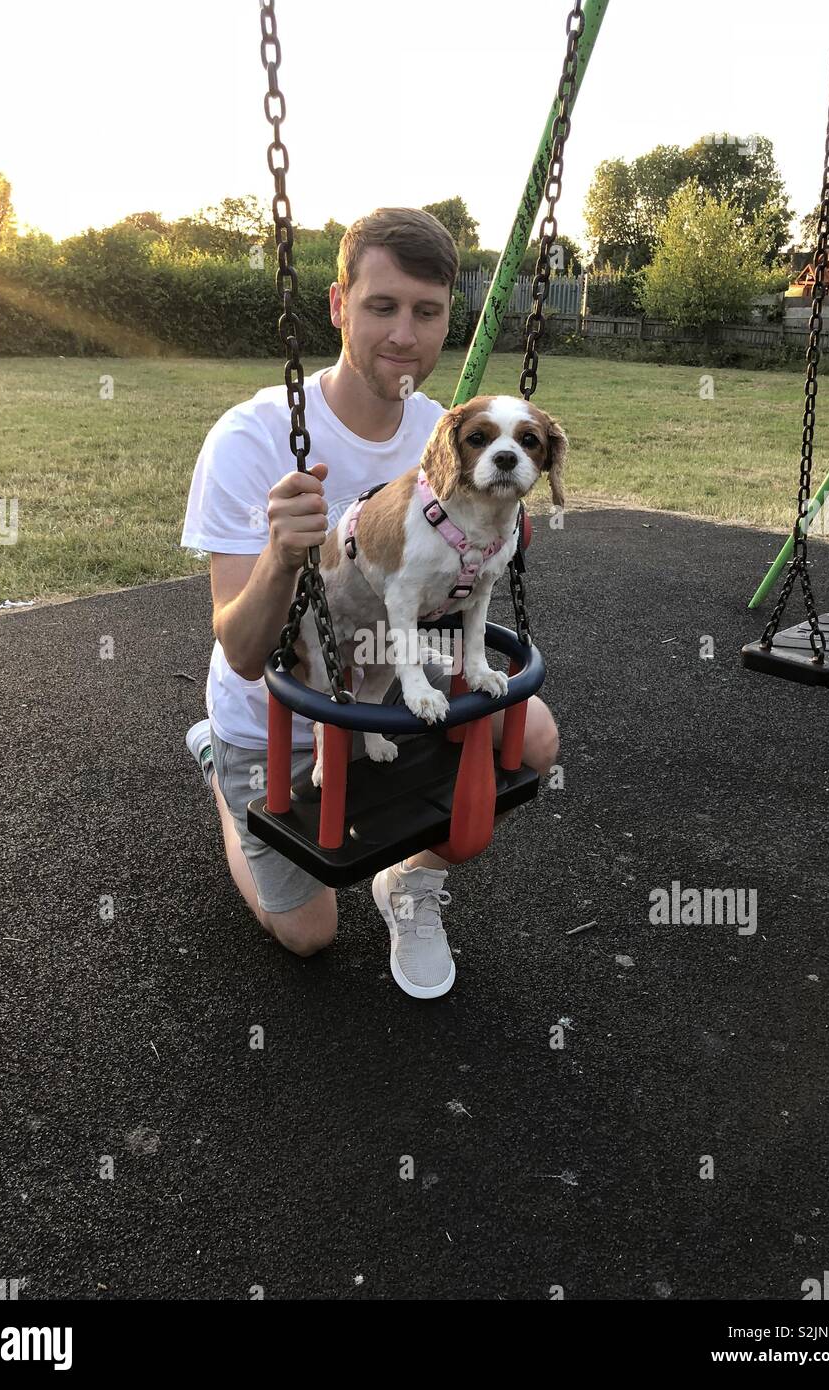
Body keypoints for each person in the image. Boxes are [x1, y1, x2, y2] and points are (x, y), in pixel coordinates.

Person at [181, 207, 559, 998]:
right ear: (336, 305)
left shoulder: (449, 431)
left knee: (530, 743)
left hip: (386, 677)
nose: (403, 335)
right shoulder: (250, 438)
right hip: (278, 707)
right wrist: (285, 555)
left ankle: (408, 884)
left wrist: (497, 536)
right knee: (311, 936)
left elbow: (464, 559)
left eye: (426, 312)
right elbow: (245, 650)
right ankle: (222, 765)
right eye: (381, 306)